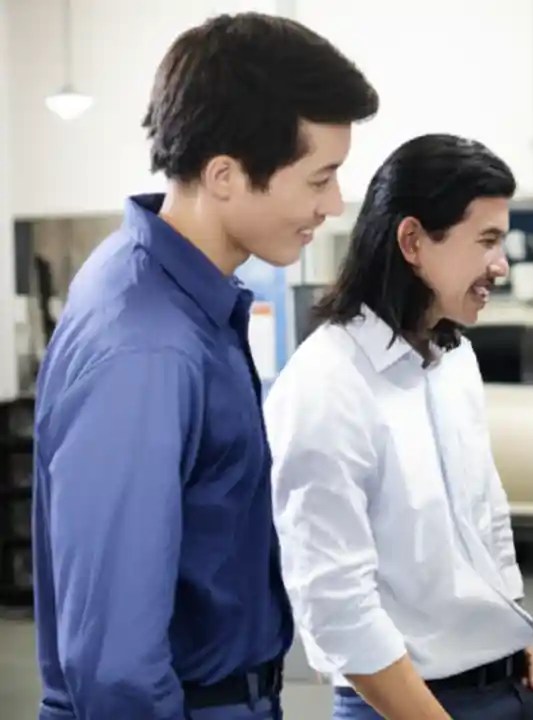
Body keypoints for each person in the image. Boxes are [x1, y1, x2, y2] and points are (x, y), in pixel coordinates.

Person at [30, 13, 377, 720]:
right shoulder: (148, 347)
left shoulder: (180, 298)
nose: (333, 205)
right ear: (225, 175)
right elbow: (117, 669)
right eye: (320, 178)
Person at [263, 134, 533, 720]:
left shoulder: (453, 360)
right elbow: (335, 601)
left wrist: (514, 633)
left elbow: (485, 514)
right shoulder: (327, 384)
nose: (502, 264)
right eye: (487, 241)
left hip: (502, 684)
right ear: (414, 241)